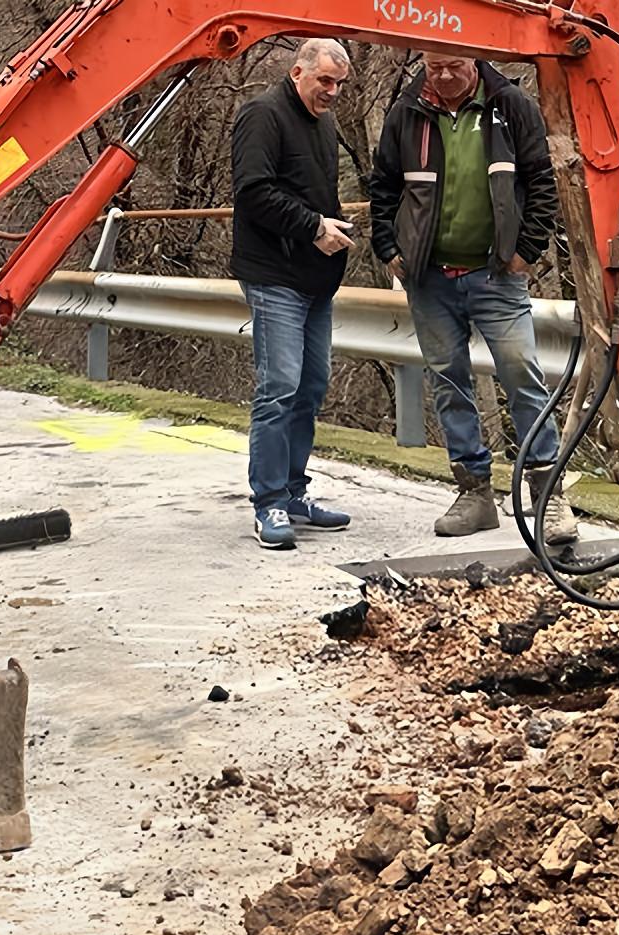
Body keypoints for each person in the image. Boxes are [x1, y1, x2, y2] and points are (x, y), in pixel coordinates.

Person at [369, 52, 579, 544]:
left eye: (453, 66)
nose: (441, 76)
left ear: (475, 62)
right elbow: (383, 185)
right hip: (430, 276)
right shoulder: (407, 111)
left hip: (495, 274)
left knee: (522, 377)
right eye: (433, 66)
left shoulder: (509, 105)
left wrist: (527, 249)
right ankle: (474, 493)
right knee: (449, 383)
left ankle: (548, 497)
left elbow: (540, 181)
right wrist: (388, 246)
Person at [230, 38, 356, 551]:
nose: (331, 92)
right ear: (298, 71)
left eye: (339, 85)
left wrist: (330, 227)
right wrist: (311, 227)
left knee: (310, 388)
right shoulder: (262, 114)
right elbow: (253, 191)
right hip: (274, 272)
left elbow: (314, 192)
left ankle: (294, 490)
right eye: (324, 81)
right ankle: (268, 504)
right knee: (279, 387)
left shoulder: (323, 123)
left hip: (315, 277)